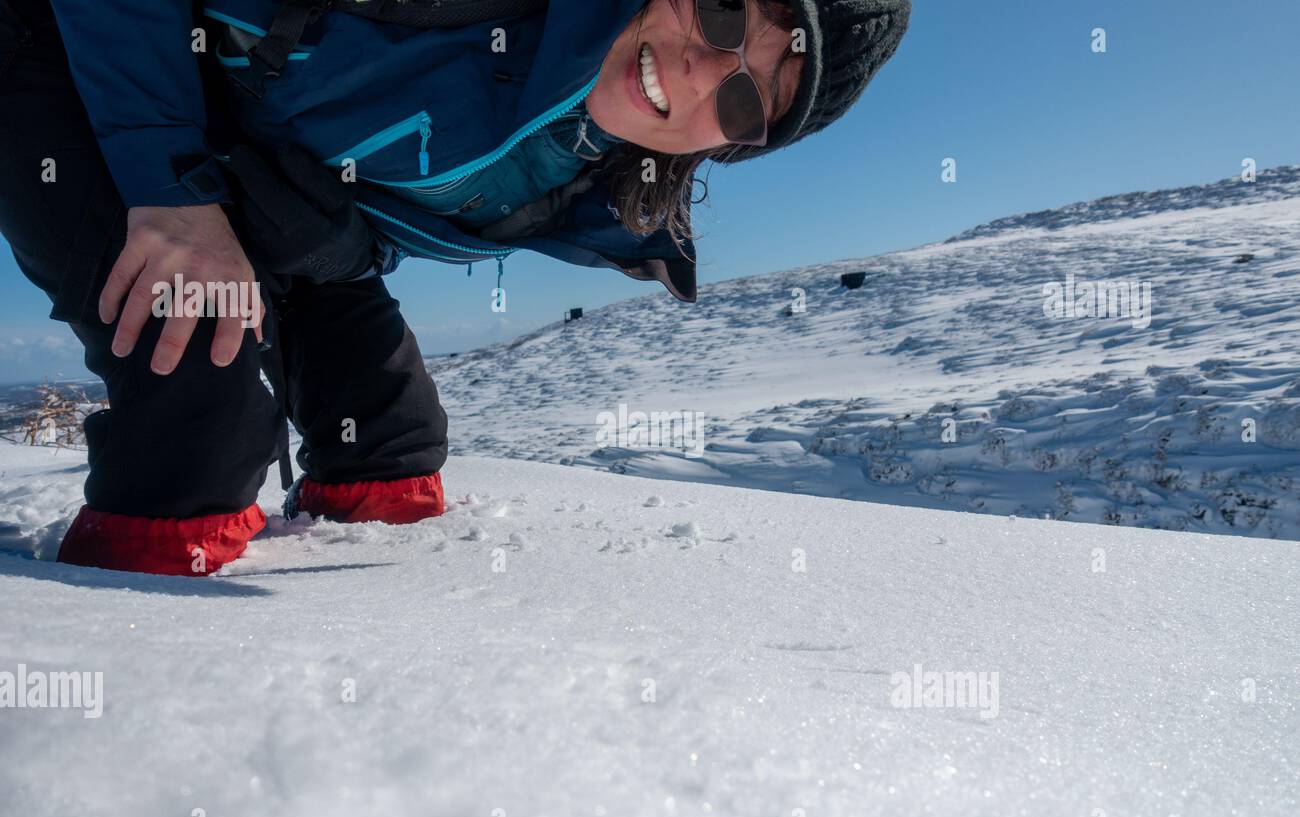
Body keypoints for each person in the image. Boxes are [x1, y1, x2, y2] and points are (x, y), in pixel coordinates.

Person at [0, 0, 910, 576]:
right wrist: (172, 189)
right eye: (720, 14)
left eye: (746, 103)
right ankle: (125, 653)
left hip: (233, 152)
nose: (700, 71)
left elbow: (364, 163)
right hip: (67, 53)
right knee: (202, 424)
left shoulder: (575, 175)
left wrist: (329, 243)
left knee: (391, 445)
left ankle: (395, 615)